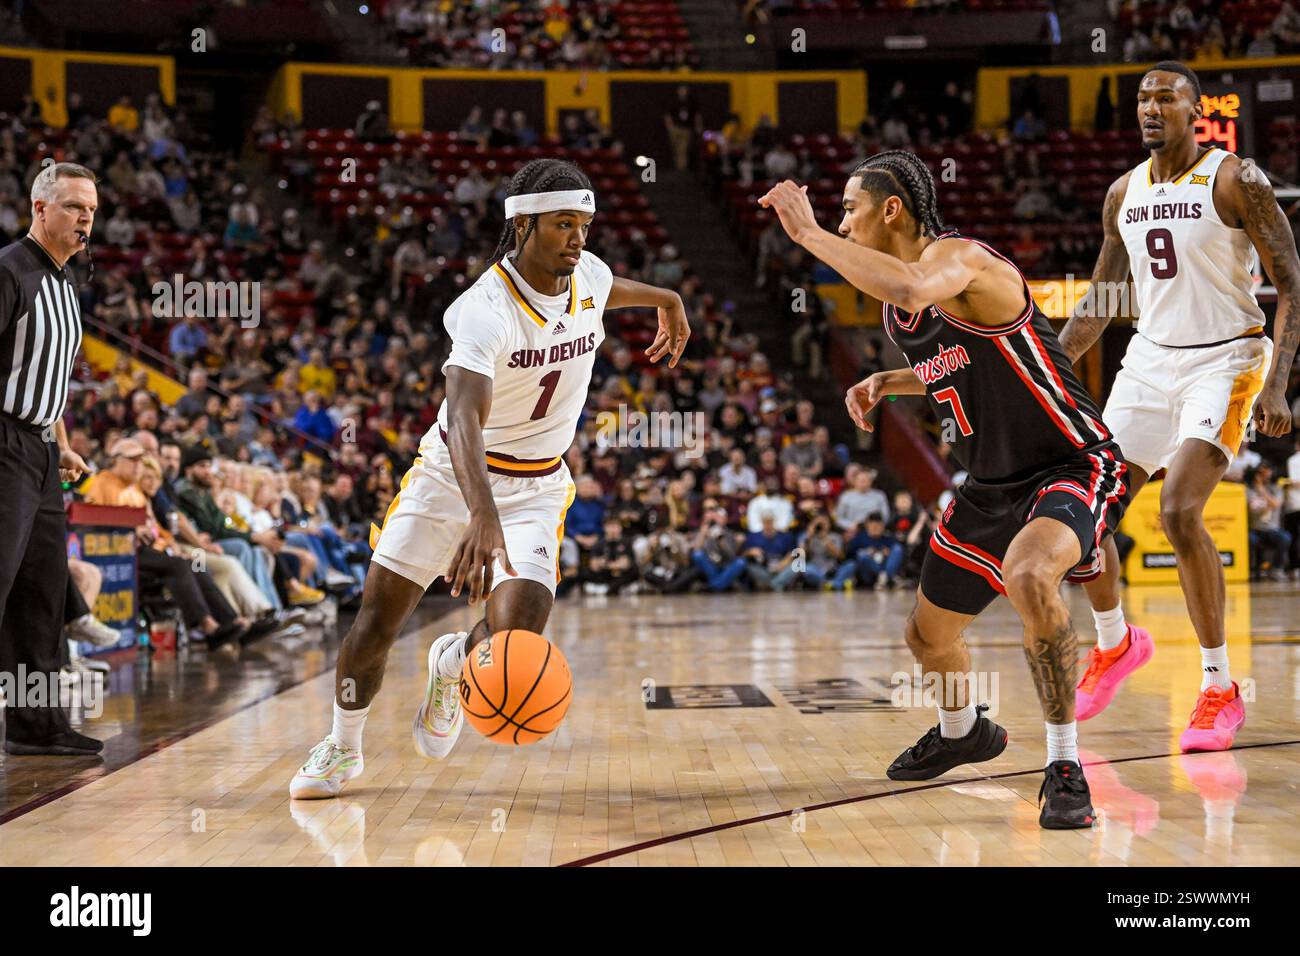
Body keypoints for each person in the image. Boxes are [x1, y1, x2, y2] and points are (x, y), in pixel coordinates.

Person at [288, 159, 690, 799]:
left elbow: (611, 286)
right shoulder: (482, 309)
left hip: (537, 487)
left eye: (584, 224)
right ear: (523, 226)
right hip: (452, 473)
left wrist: (668, 299)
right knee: (376, 620)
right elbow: (467, 419)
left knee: (517, 633)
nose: (578, 238)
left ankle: (453, 663)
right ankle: (343, 745)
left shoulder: (586, 274)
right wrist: (481, 515)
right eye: (563, 225)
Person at [760, 149, 1131, 829]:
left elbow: (911, 287)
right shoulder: (901, 313)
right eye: (834, 216)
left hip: (1068, 463)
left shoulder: (965, 261)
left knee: (1027, 577)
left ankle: (1064, 765)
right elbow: (952, 360)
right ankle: (963, 730)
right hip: (989, 483)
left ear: (892, 209)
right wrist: (890, 381)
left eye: (849, 209)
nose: (840, 224)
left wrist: (806, 233)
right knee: (927, 638)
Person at [1058, 62, 1299, 751]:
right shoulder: (1122, 193)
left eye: (1166, 96)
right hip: (1147, 362)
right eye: (1142, 97)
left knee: (1177, 510)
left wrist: (1279, 385)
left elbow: (1292, 282)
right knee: (1083, 509)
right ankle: (1115, 643)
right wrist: (1040, 368)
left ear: (1199, 111)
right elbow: (1101, 306)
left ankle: (1218, 687)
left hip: (1225, 359)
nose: (1151, 107)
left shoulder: (1236, 179)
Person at [0, 162, 100, 756]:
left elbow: (54, 380)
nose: (84, 218)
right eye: (71, 207)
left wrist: (60, 443)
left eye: (89, 209)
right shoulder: (11, 271)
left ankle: (36, 725)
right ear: (40, 209)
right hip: (3, 444)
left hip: (39, 453)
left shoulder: (67, 283)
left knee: (41, 590)